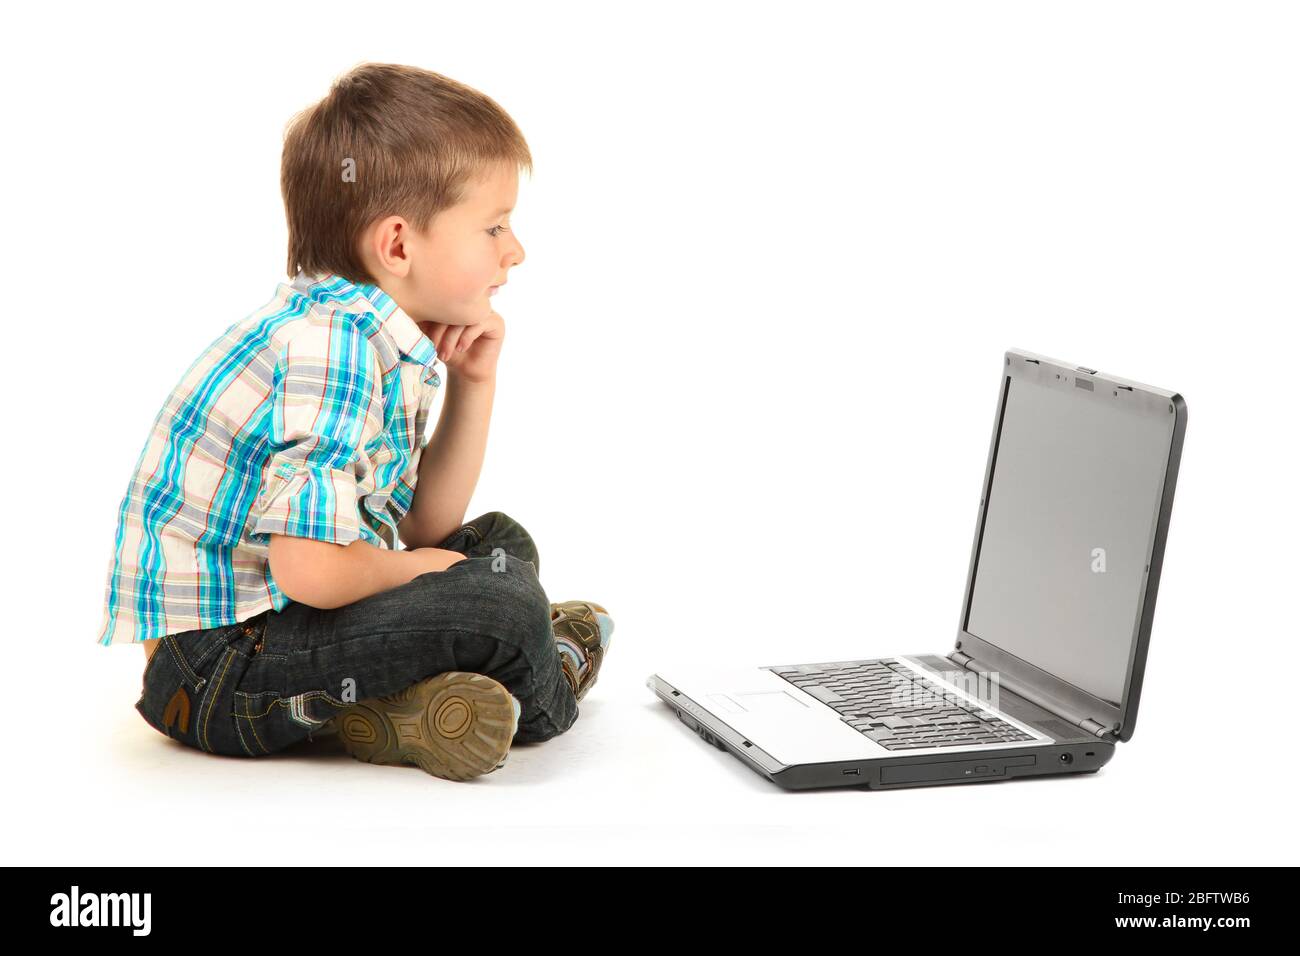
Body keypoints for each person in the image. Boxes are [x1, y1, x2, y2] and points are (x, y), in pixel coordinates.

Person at [96, 63, 613, 781]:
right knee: (503, 599)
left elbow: (429, 526)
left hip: (271, 633)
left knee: (497, 544)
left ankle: (397, 710)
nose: (514, 250)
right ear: (398, 245)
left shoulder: (374, 333)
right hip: (216, 672)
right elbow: (306, 568)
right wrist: (425, 573)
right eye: (493, 225)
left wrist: (474, 383)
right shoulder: (331, 345)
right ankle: (548, 674)